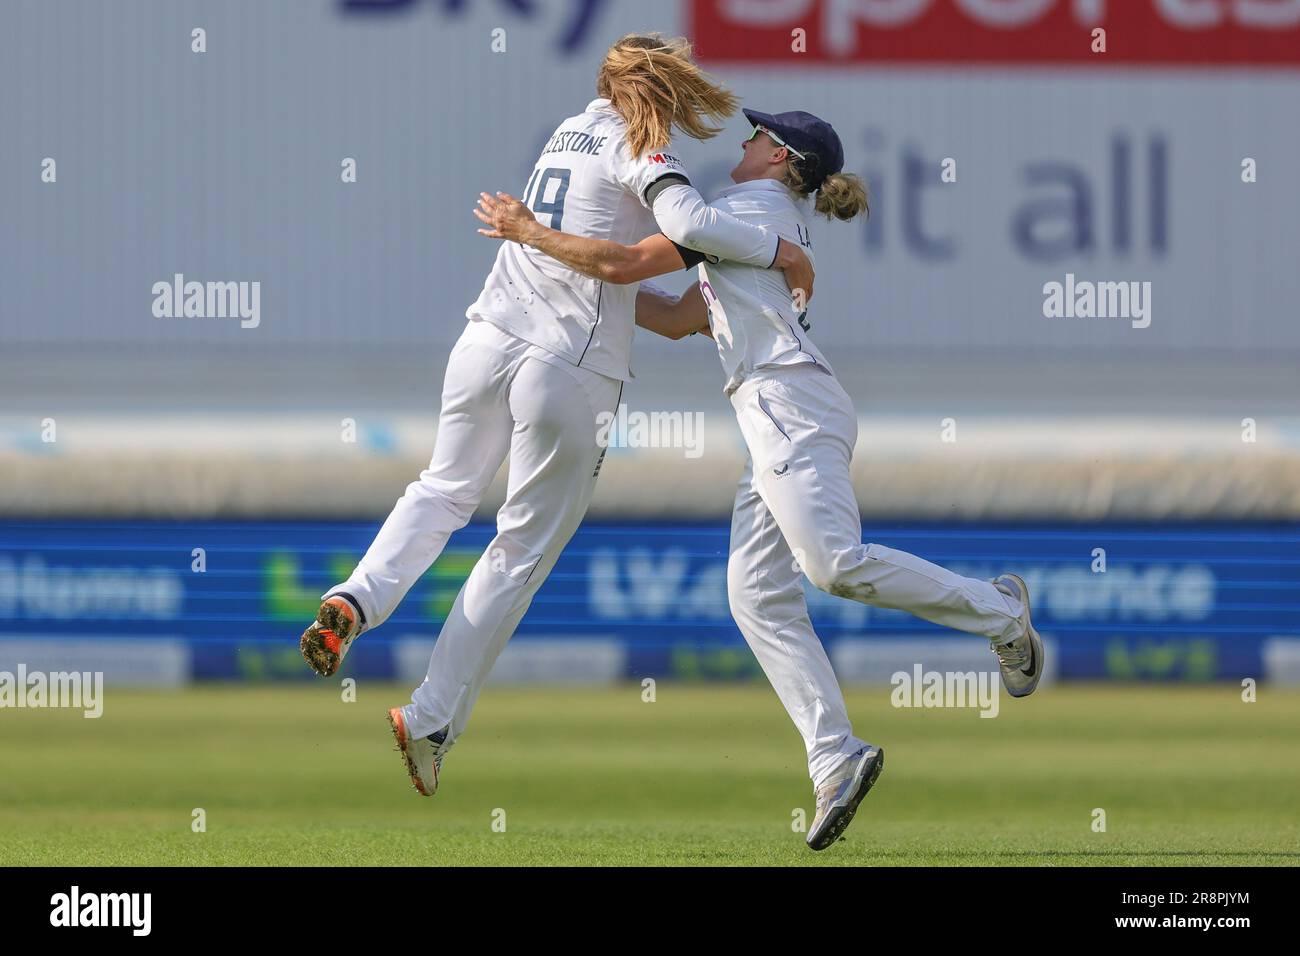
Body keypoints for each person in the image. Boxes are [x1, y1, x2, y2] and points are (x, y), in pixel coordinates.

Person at [474, 107, 1044, 850]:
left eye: (756, 136)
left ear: (779, 157)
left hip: (789, 404)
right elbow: (681, 318)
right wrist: (570, 287)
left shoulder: (742, 209)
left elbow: (624, 264)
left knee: (833, 565)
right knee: (756, 599)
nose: (742, 142)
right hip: (776, 412)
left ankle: (1001, 612)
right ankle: (836, 757)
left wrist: (534, 235)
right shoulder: (752, 216)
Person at [297, 35, 815, 798]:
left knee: (441, 490)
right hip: (566, 367)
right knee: (519, 550)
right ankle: (433, 718)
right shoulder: (641, 147)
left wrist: (708, 317)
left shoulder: (566, 135)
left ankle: (356, 597)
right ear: (660, 92)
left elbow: (650, 305)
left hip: (485, 339)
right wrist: (781, 255)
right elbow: (684, 228)